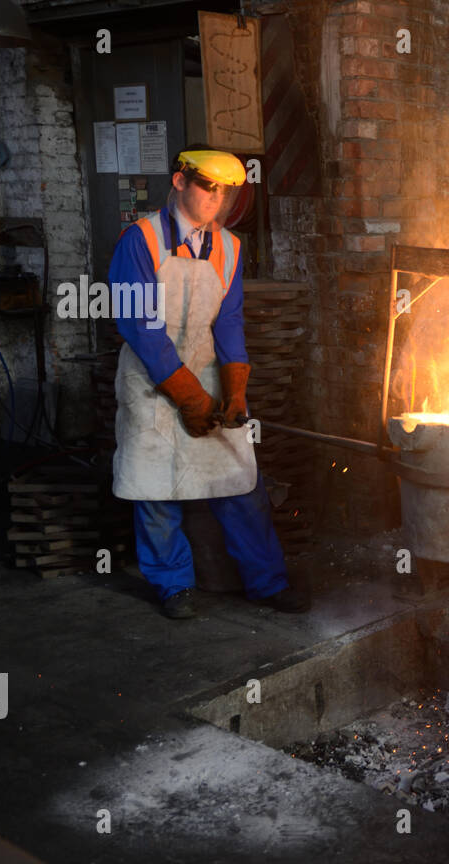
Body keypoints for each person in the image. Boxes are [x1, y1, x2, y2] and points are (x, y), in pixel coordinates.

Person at [108, 146, 308, 619]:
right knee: (155, 490)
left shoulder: (230, 247)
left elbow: (229, 321)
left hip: (207, 371)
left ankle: (267, 582)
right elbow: (140, 325)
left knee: (239, 483)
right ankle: (174, 586)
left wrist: (234, 386)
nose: (215, 202)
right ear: (180, 182)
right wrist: (187, 396)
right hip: (150, 379)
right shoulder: (140, 240)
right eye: (207, 188)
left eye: (225, 193)